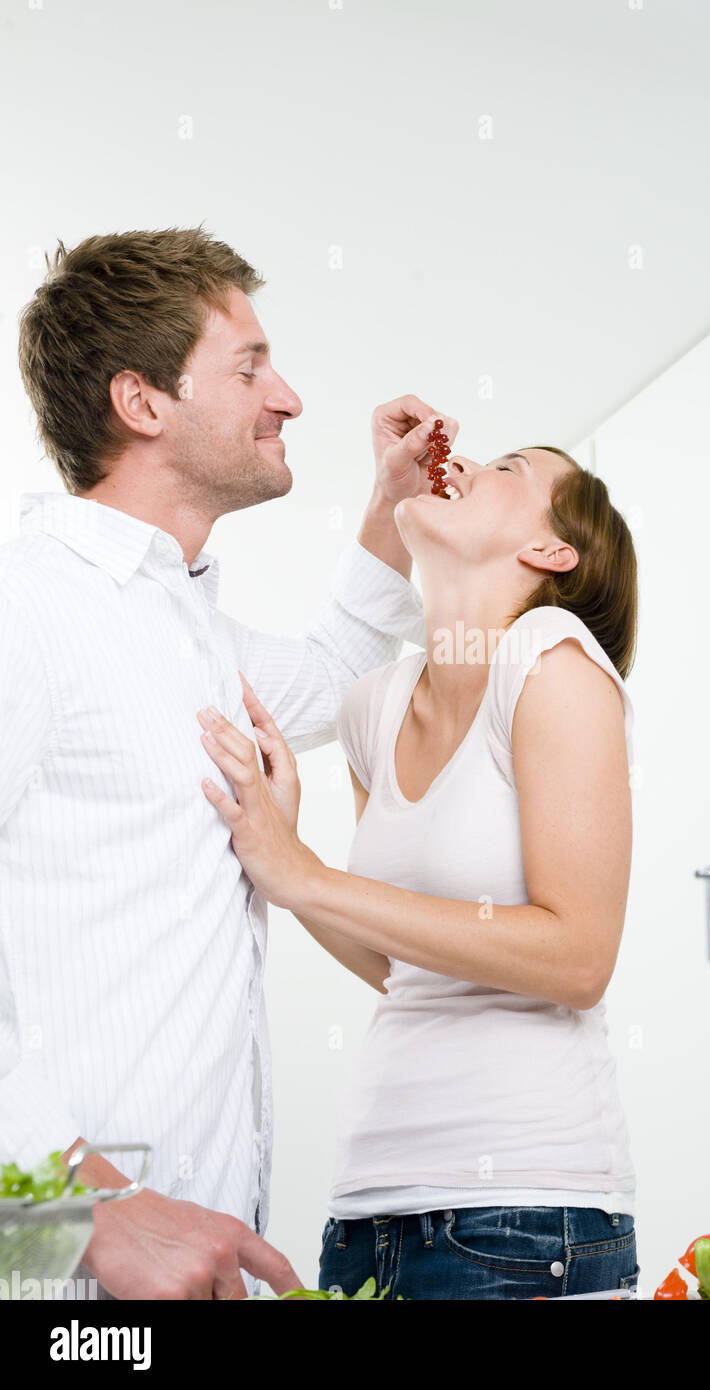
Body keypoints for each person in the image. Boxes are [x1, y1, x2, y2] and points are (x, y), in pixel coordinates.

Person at [0, 226, 441, 1298]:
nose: (288, 396)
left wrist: (388, 510)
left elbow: (337, 666)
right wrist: (79, 1207)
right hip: (52, 1274)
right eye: (249, 367)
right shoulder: (31, 606)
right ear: (142, 403)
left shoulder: (189, 627)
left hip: (194, 1269)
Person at [196, 438, 641, 1299]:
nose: (468, 463)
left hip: (524, 1211)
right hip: (369, 1207)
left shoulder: (551, 658)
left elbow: (579, 958)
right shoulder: (376, 705)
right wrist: (292, 862)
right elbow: (398, 960)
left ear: (549, 551)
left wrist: (308, 879)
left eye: (509, 469)